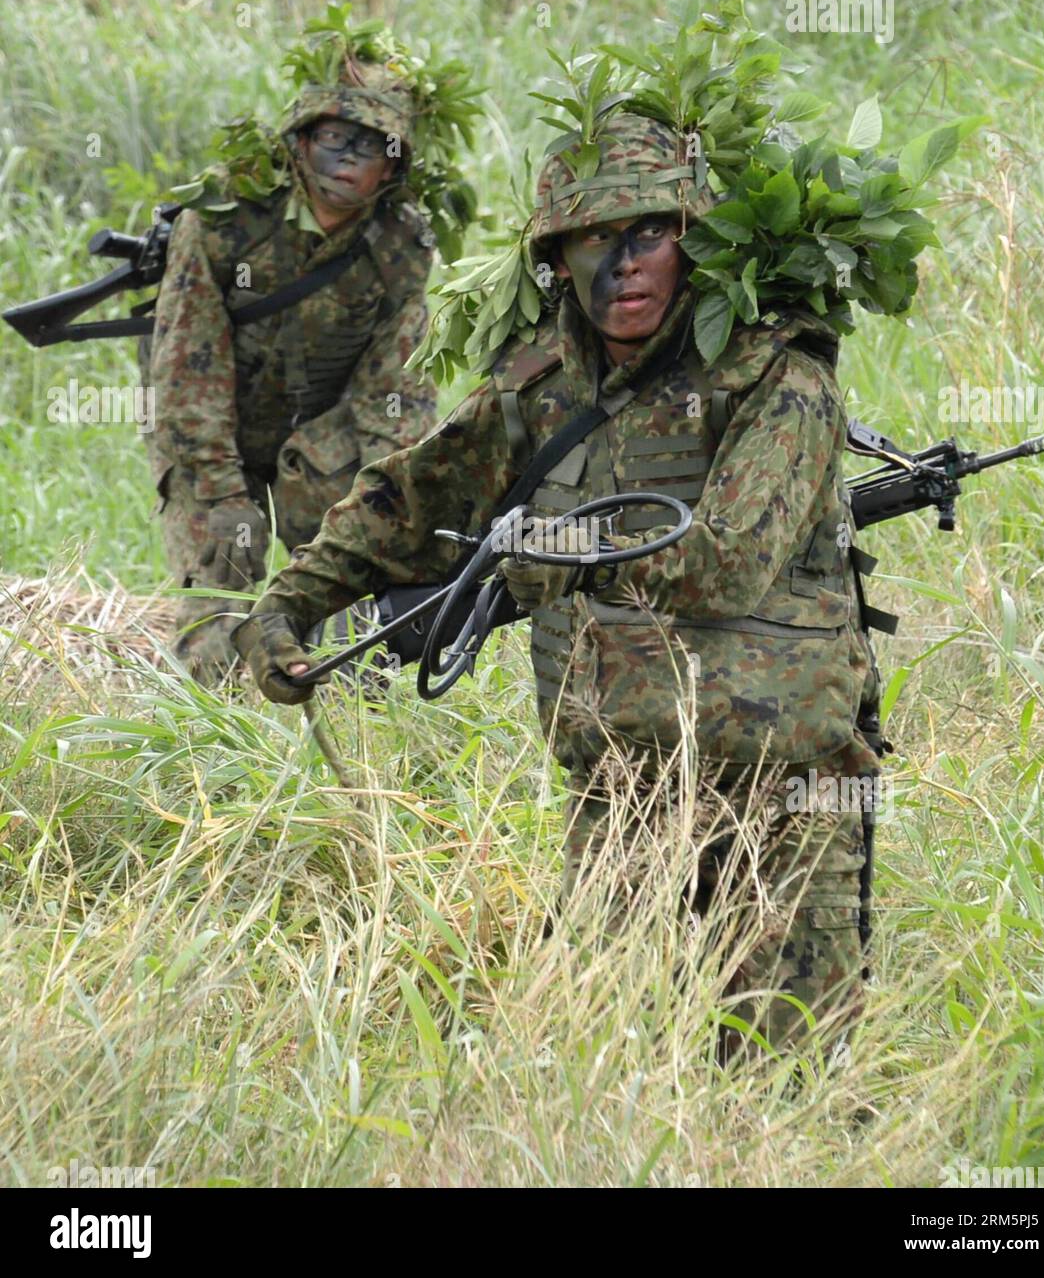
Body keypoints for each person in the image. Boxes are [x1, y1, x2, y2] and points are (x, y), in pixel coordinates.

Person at [232, 112, 886, 1057]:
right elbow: (402, 506)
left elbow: (726, 562)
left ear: (693, 241)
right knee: (599, 1070)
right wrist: (284, 610)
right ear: (555, 261)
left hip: (787, 794)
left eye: (649, 233)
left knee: (786, 1083)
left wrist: (549, 555)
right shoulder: (539, 389)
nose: (622, 264)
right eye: (592, 238)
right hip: (619, 792)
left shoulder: (777, 374)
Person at [142, 24, 470, 680]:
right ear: (299, 142)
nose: (347, 157)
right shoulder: (223, 218)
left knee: (351, 572)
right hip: (211, 425)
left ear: (396, 163)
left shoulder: (400, 244)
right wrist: (219, 488)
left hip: (320, 438)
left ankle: (358, 734)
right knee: (226, 564)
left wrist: (388, 505)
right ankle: (206, 747)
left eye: (371, 144)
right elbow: (186, 374)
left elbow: (393, 392)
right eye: (332, 138)